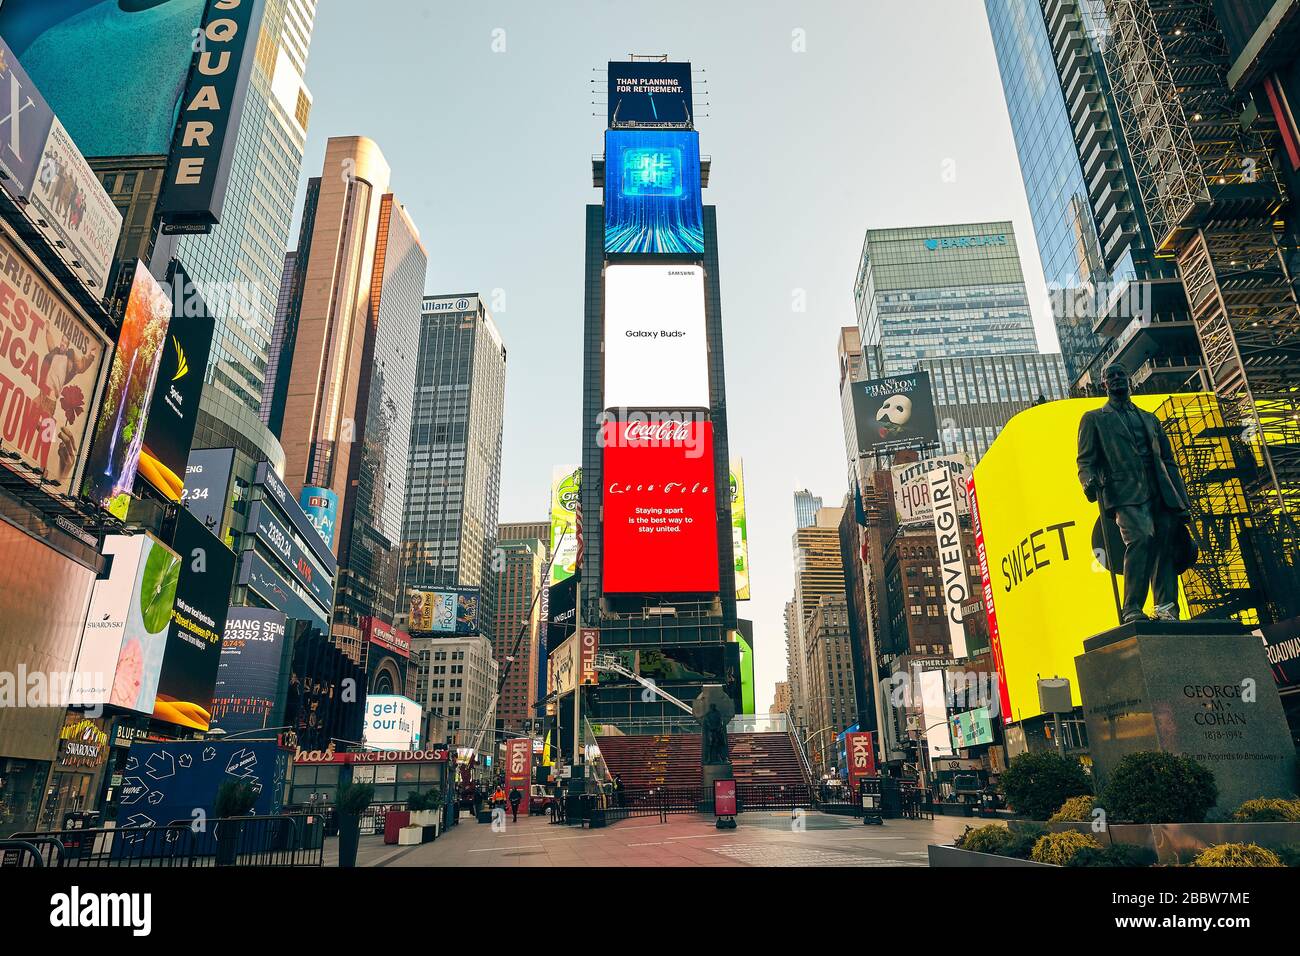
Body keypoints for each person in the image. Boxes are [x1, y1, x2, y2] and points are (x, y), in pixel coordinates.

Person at [1077, 363, 1193, 623]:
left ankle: (1166, 607)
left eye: (1121, 375)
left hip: (1160, 490)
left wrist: (1181, 501)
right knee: (1141, 539)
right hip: (1123, 492)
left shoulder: (1150, 419)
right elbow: (1085, 461)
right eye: (1111, 377)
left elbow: (1168, 460)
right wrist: (1088, 481)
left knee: (1164, 546)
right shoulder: (1094, 418)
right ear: (1104, 384)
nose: (1117, 379)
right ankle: (1132, 608)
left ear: (1129, 380)